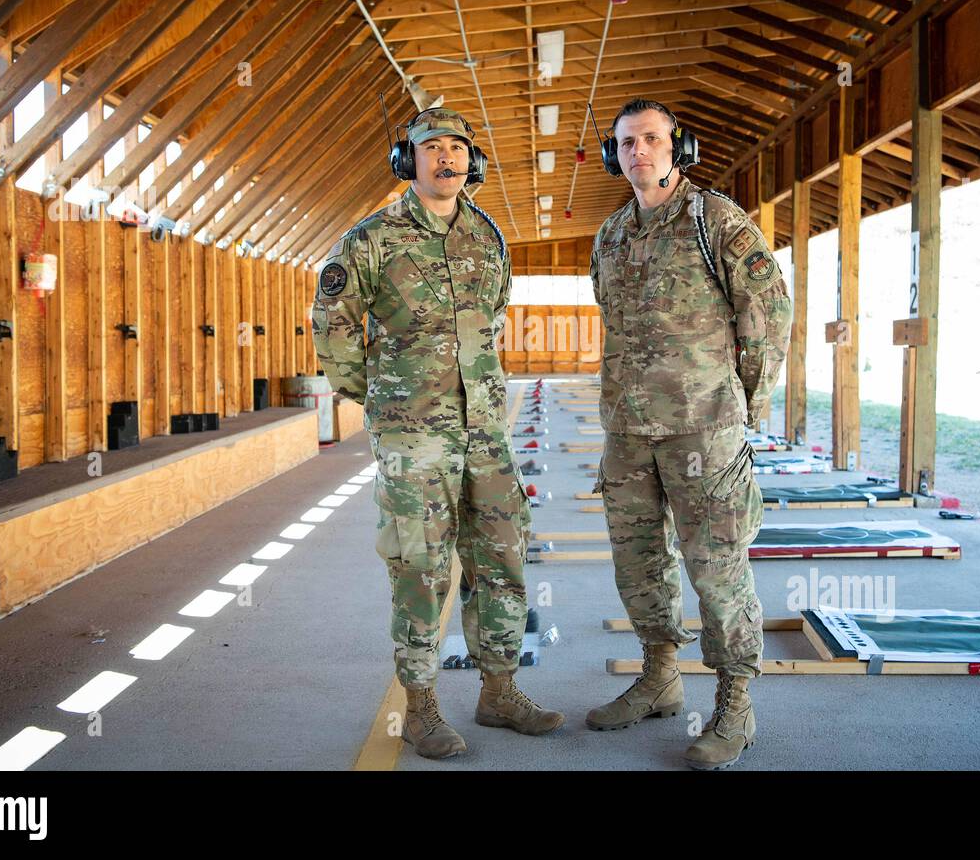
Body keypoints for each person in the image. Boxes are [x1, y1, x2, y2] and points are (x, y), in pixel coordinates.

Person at [311, 107, 564, 760]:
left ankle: (499, 690)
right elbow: (333, 328)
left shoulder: (487, 236)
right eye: (433, 148)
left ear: (471, 162)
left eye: (457, 148)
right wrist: (386, 398)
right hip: (413, 435)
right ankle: (421, 707)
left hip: (485, 428)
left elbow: (496, 312)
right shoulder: (371, 239)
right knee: (420, 566)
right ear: (408, 159)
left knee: (502, 554)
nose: (446, 158)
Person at [585, 98, 793, 769]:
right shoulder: (612, 233)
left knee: (717, 569)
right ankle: (660, 676)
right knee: (637, 563)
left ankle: (735, 701)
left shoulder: (717, 220)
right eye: (625, 142)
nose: (638, 150)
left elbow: (767, 310)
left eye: (651, 138)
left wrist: (746, 406)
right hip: (627, 430)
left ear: (679, 146)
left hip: (704, 428)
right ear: (615, 153)